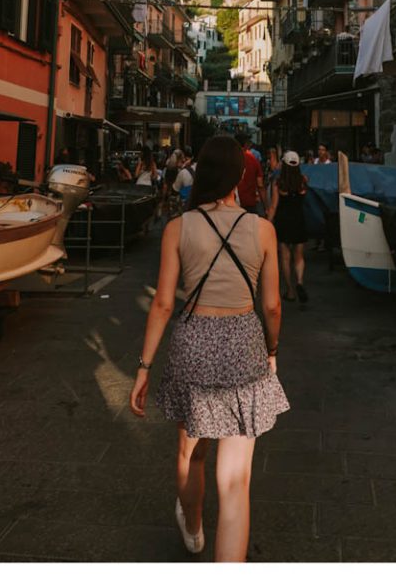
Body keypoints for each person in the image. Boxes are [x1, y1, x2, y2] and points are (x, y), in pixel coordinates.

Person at [130, 135, 288, 562]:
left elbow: (163, 303)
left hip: (193, 340)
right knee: (235, 481)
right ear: (240, 175)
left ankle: (194, 527)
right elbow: (271, 306)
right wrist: (271, 350)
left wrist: (144, 367)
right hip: (244, 343)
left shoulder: (179, 228)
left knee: (192, 453)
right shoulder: (263, 230)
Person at [268, 151, 310, 304]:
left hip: (283, 222)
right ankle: (299, 281)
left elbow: (273, 206)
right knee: (299, 256)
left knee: (285, 257)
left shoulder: (278, 183)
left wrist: (268, 222)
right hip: (299, 220)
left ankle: (290, 291)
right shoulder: (304, 181)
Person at [234, 133, 264, 216]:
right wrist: (266, 206)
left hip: (232, 203)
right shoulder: (253, 160)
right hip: (249, 204)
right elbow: (260, 184)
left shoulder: (229, 159)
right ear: (246, 145)